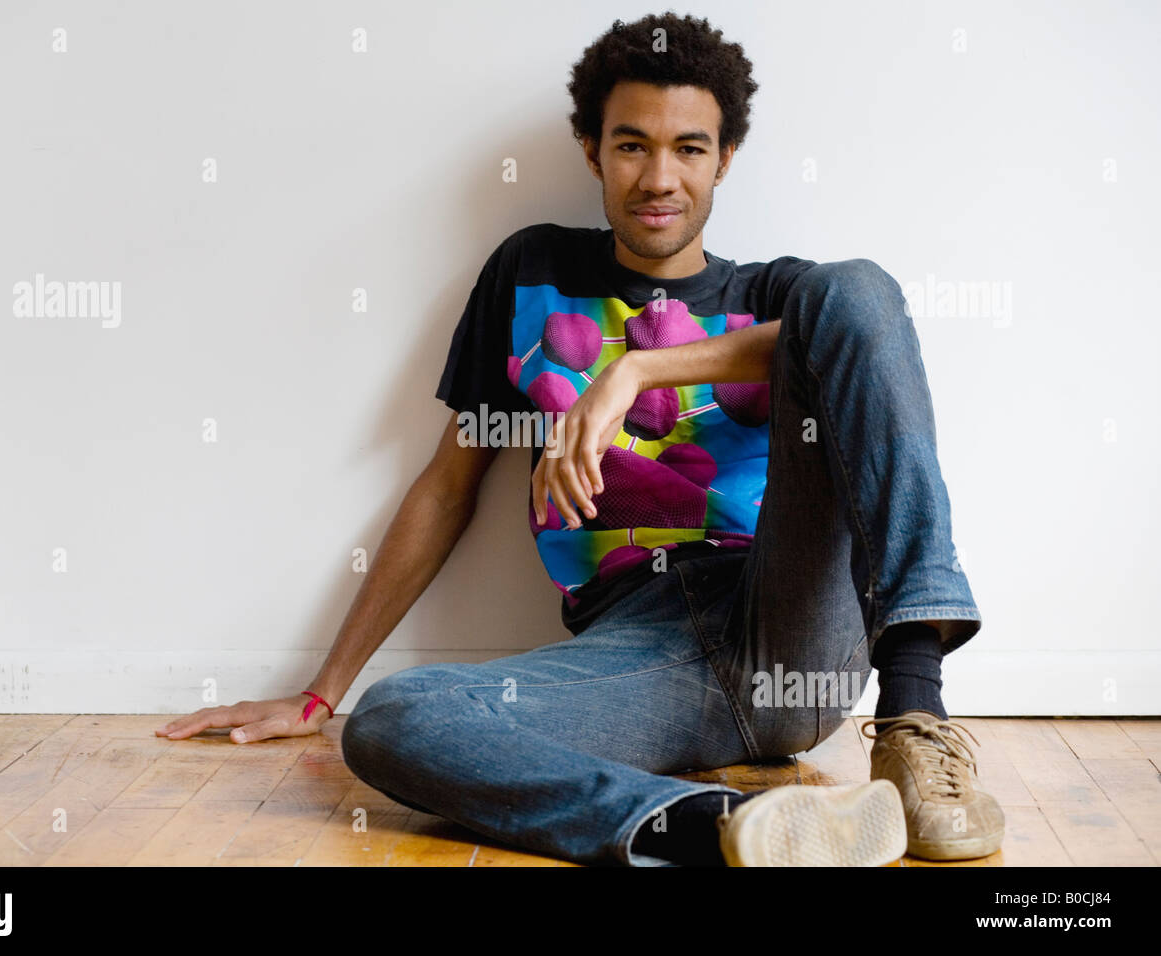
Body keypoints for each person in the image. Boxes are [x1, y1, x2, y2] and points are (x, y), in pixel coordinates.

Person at [157, 11, 1005, 867]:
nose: (659, 177)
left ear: (726, 159)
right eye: (632, 145)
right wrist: (321, 690)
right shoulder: (532, 274)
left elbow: (858, 326)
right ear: (592, 150)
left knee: (856, 290)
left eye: (690, 149)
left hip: (791, 616)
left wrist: (636, 371)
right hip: (640, 654)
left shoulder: (775, 292)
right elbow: (448, 487)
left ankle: (915, 719)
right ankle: (717, 829)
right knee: (392, 719)